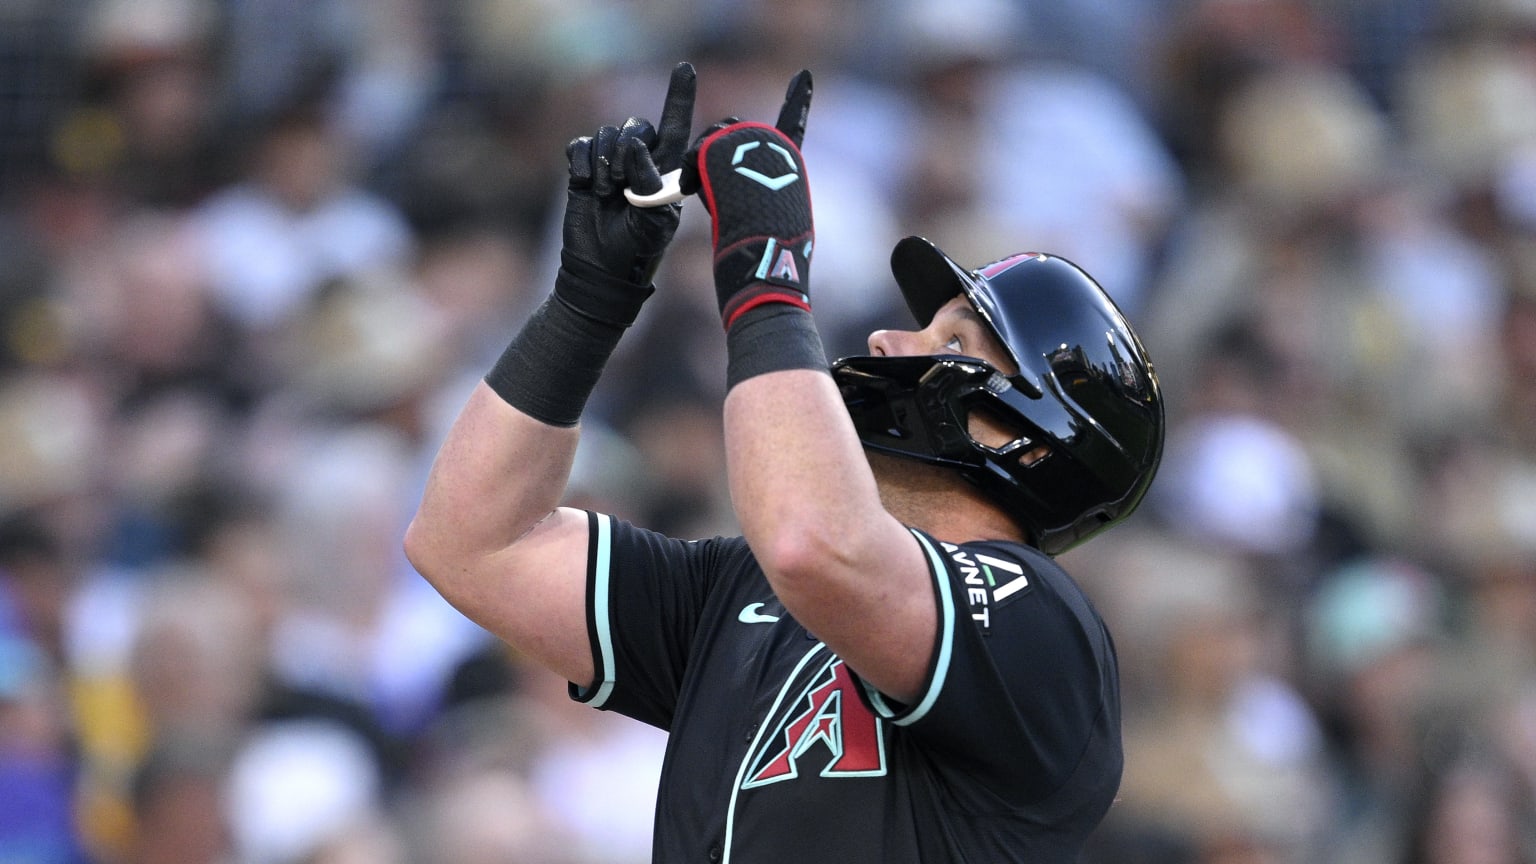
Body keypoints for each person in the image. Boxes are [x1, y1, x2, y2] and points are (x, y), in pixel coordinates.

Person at [405, 61, 1165, 863]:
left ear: (1031, 439)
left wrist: (766, 273)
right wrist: (587, 305)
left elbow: (815, 544)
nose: (887, 343)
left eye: (949, 344)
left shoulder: (1039, 622)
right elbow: (470, 543)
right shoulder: (740, 593)